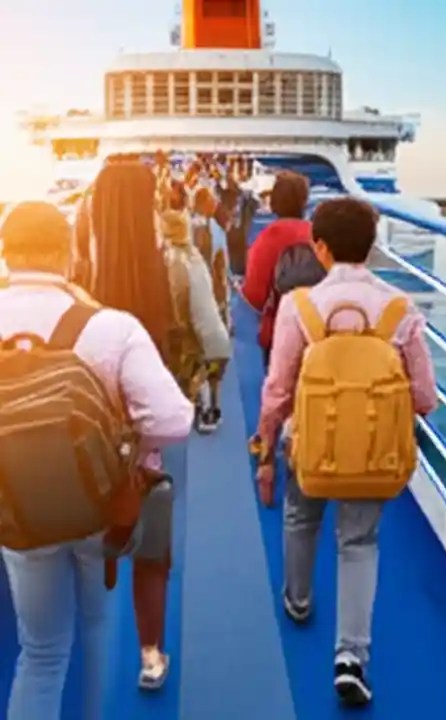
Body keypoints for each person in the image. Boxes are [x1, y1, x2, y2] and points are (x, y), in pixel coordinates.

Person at [0, 202, 192, 719]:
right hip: (96, 507)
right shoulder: (110, 327)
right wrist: (126, 448)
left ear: (5, 253)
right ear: (68, 254)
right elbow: (174, 420)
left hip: (14, 509)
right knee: (96, 627)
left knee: (40, 652)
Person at [253, 197, 438, 706]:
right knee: (359, 543)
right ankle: (350, 658)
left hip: (309, 444)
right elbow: (425, 398)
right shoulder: (400, 309)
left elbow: (277, 391)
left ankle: (298, 600)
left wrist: (265, 447)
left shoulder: (300, 306)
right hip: (373, 453)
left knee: (300, 516)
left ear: (320, 248)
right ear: (372, 247)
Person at [83, 159, 185, 688]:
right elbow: (170, 415)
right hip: (137, 461)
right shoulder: (157, 271)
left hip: (73, 459)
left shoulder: (78, 286)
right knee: (152, 554)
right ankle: (150, 656)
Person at [160, 184, 233, 434]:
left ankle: (200, 404)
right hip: (217, 339)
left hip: (199, 341)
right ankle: (211, 405)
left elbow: (180, 306)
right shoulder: (194, 257)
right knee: (210, 361)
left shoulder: (174, 261)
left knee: (193, 354)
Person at [241, 170, 312, 365]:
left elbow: (254, 294)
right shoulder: (317, 236)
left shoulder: (267, 238)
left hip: (277, 332)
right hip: (315, 333)